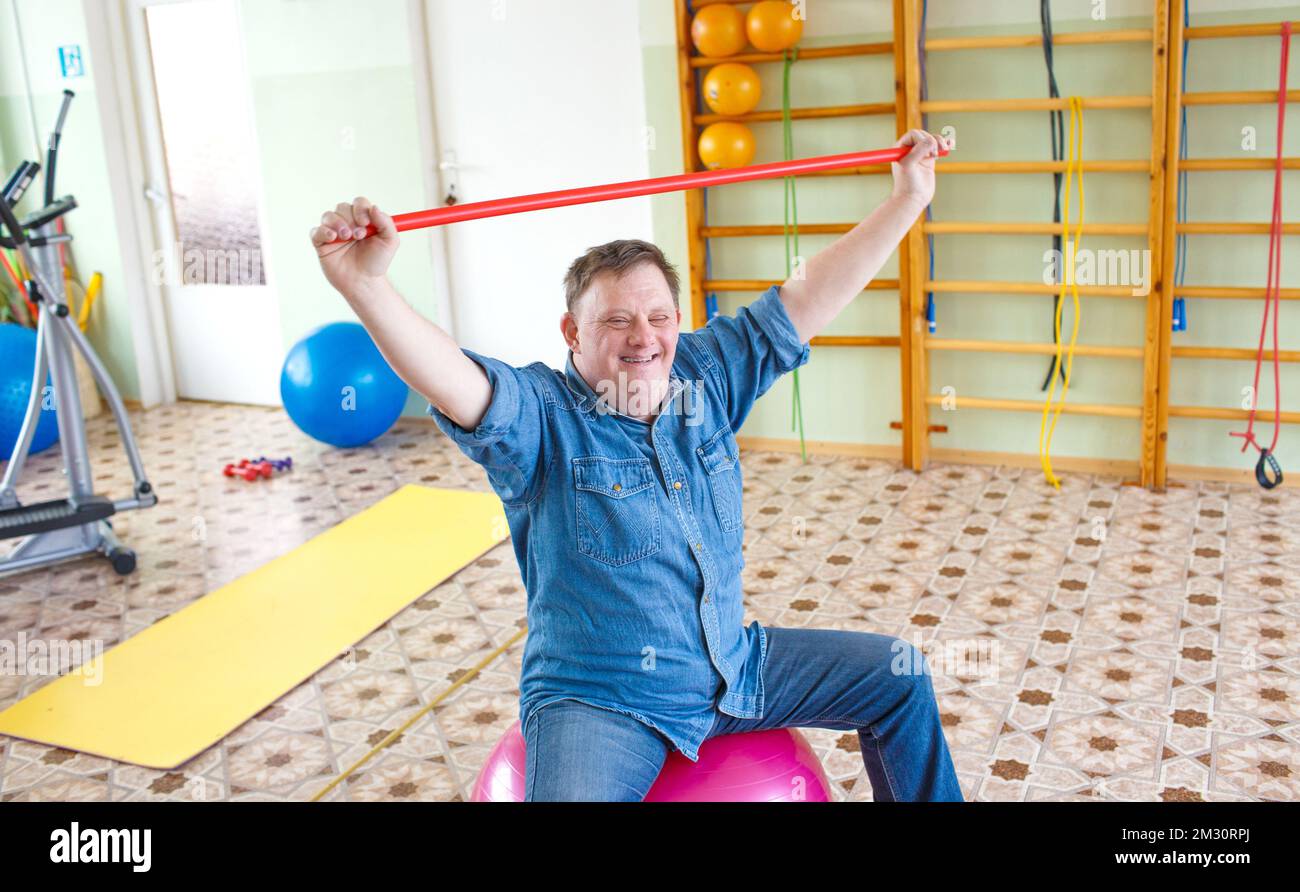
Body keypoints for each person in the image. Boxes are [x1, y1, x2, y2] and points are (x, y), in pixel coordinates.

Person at [310, 129, 963, 801]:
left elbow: (811, 294)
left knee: (901, 676)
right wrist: (367, 288)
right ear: (573, 333)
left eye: (658, 316)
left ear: (680, 320)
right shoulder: (542, 415)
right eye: (617, 321)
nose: (643, 338)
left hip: (732, 669)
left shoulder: (704, 375)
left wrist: (909, 198)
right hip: (600, 700)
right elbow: (457, 379)